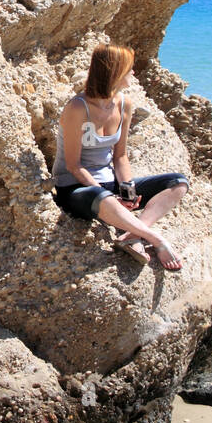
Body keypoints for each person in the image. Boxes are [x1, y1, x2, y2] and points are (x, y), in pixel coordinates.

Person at [51, 43, 189, 270]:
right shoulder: (78, 108)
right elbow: (74, 165)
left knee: (177, 183)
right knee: (102, 197)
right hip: (76, 188)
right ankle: (155, 239)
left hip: (109, 183)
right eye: (129, 68)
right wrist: (109, 195)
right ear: (113, 71)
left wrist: (127, 190)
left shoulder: (124, 104)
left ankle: (132, 235)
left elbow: (120, 156)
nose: (133, 72)